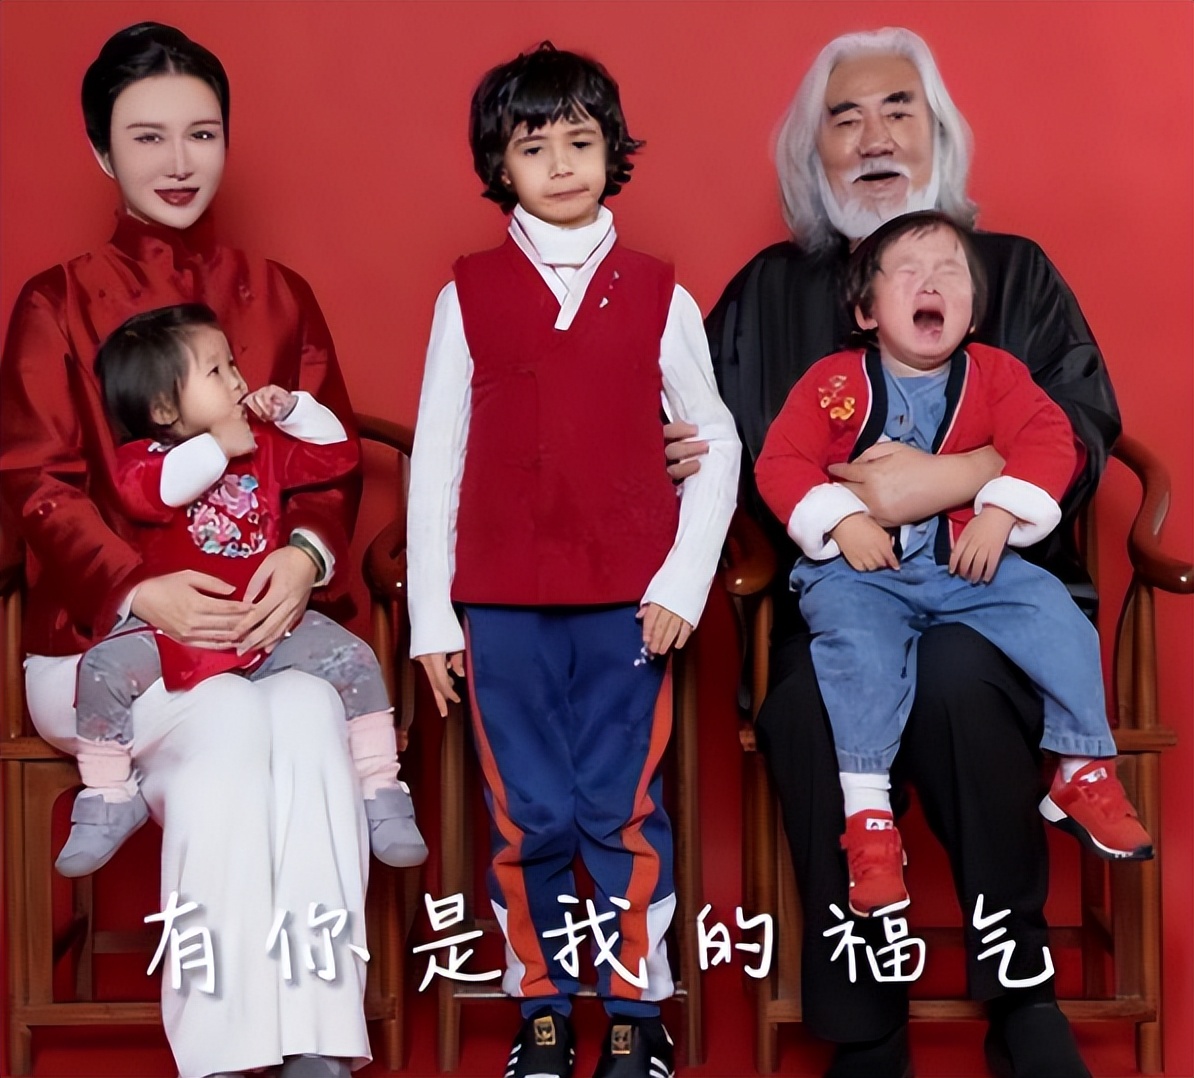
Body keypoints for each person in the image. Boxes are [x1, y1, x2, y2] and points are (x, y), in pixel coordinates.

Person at [672, 27, 1119, 1078]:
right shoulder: (769, 291)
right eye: (846, 117)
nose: (875, 137)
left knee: (965, 682)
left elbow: (1085, 427)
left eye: (898, 110)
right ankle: (866, 1022)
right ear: (811, 154)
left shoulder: (1015, 271)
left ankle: (1022, 996)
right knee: (809, 698)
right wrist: (674, 447)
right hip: (846, 596)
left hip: (992, 592)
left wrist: (952, 479)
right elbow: (717, 439)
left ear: (939, 134)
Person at [0, 23, 377, 1078]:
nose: (178, 161)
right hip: (105, 654)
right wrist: (137, 588)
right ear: (100, 152)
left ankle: (315, 1048)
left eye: (201, 134)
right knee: (218, 731)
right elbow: (35, 485)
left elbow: (331, 465)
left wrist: (305, 554)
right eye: (148, 136)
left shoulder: (280, 292)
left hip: (265, 636)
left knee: (309, 720)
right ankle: (221, 1058)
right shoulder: (54, 302)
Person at [406, 43, 738, 1078]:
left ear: (612, 152)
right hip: (500, 609)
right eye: (533, 144)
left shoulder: (659, 294)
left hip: (627, 606)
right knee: (529, 815)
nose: (559, 164)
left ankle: (638, 1016)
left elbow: (716, 441)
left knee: (621, 810)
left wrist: (681, 583)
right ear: (500, 164)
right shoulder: (466, 296)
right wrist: (432, 618)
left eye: (581, 141)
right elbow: (436, 463)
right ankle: (542, 1008)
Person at [754, 211, 1150, 916]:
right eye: (907, 271)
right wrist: (840, 521)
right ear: (866, 309)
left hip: (967, 566)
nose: (930, 282)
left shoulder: (997, 375)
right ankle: (869, 819)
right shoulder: (833, 382)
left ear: (972, 312)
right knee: (857, 651)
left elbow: (1051, 440)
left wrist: (1000, 511)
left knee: (1052, 613)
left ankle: (1083, 768)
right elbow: (780, 461)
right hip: (861, 574)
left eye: (949, 273)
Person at [56, 303, 428, 877]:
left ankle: (380, 787)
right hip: (178, 631)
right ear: (161, 407)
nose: (237, 380)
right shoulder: (141, 462)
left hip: (269, 625)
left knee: (356, 659)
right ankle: (108, 796)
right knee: (101, 668)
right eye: (215, 371)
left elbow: (338, 452)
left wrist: (295, 410)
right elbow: (151, 493)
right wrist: (219, 447)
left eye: (234, 364)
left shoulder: (264, 442)